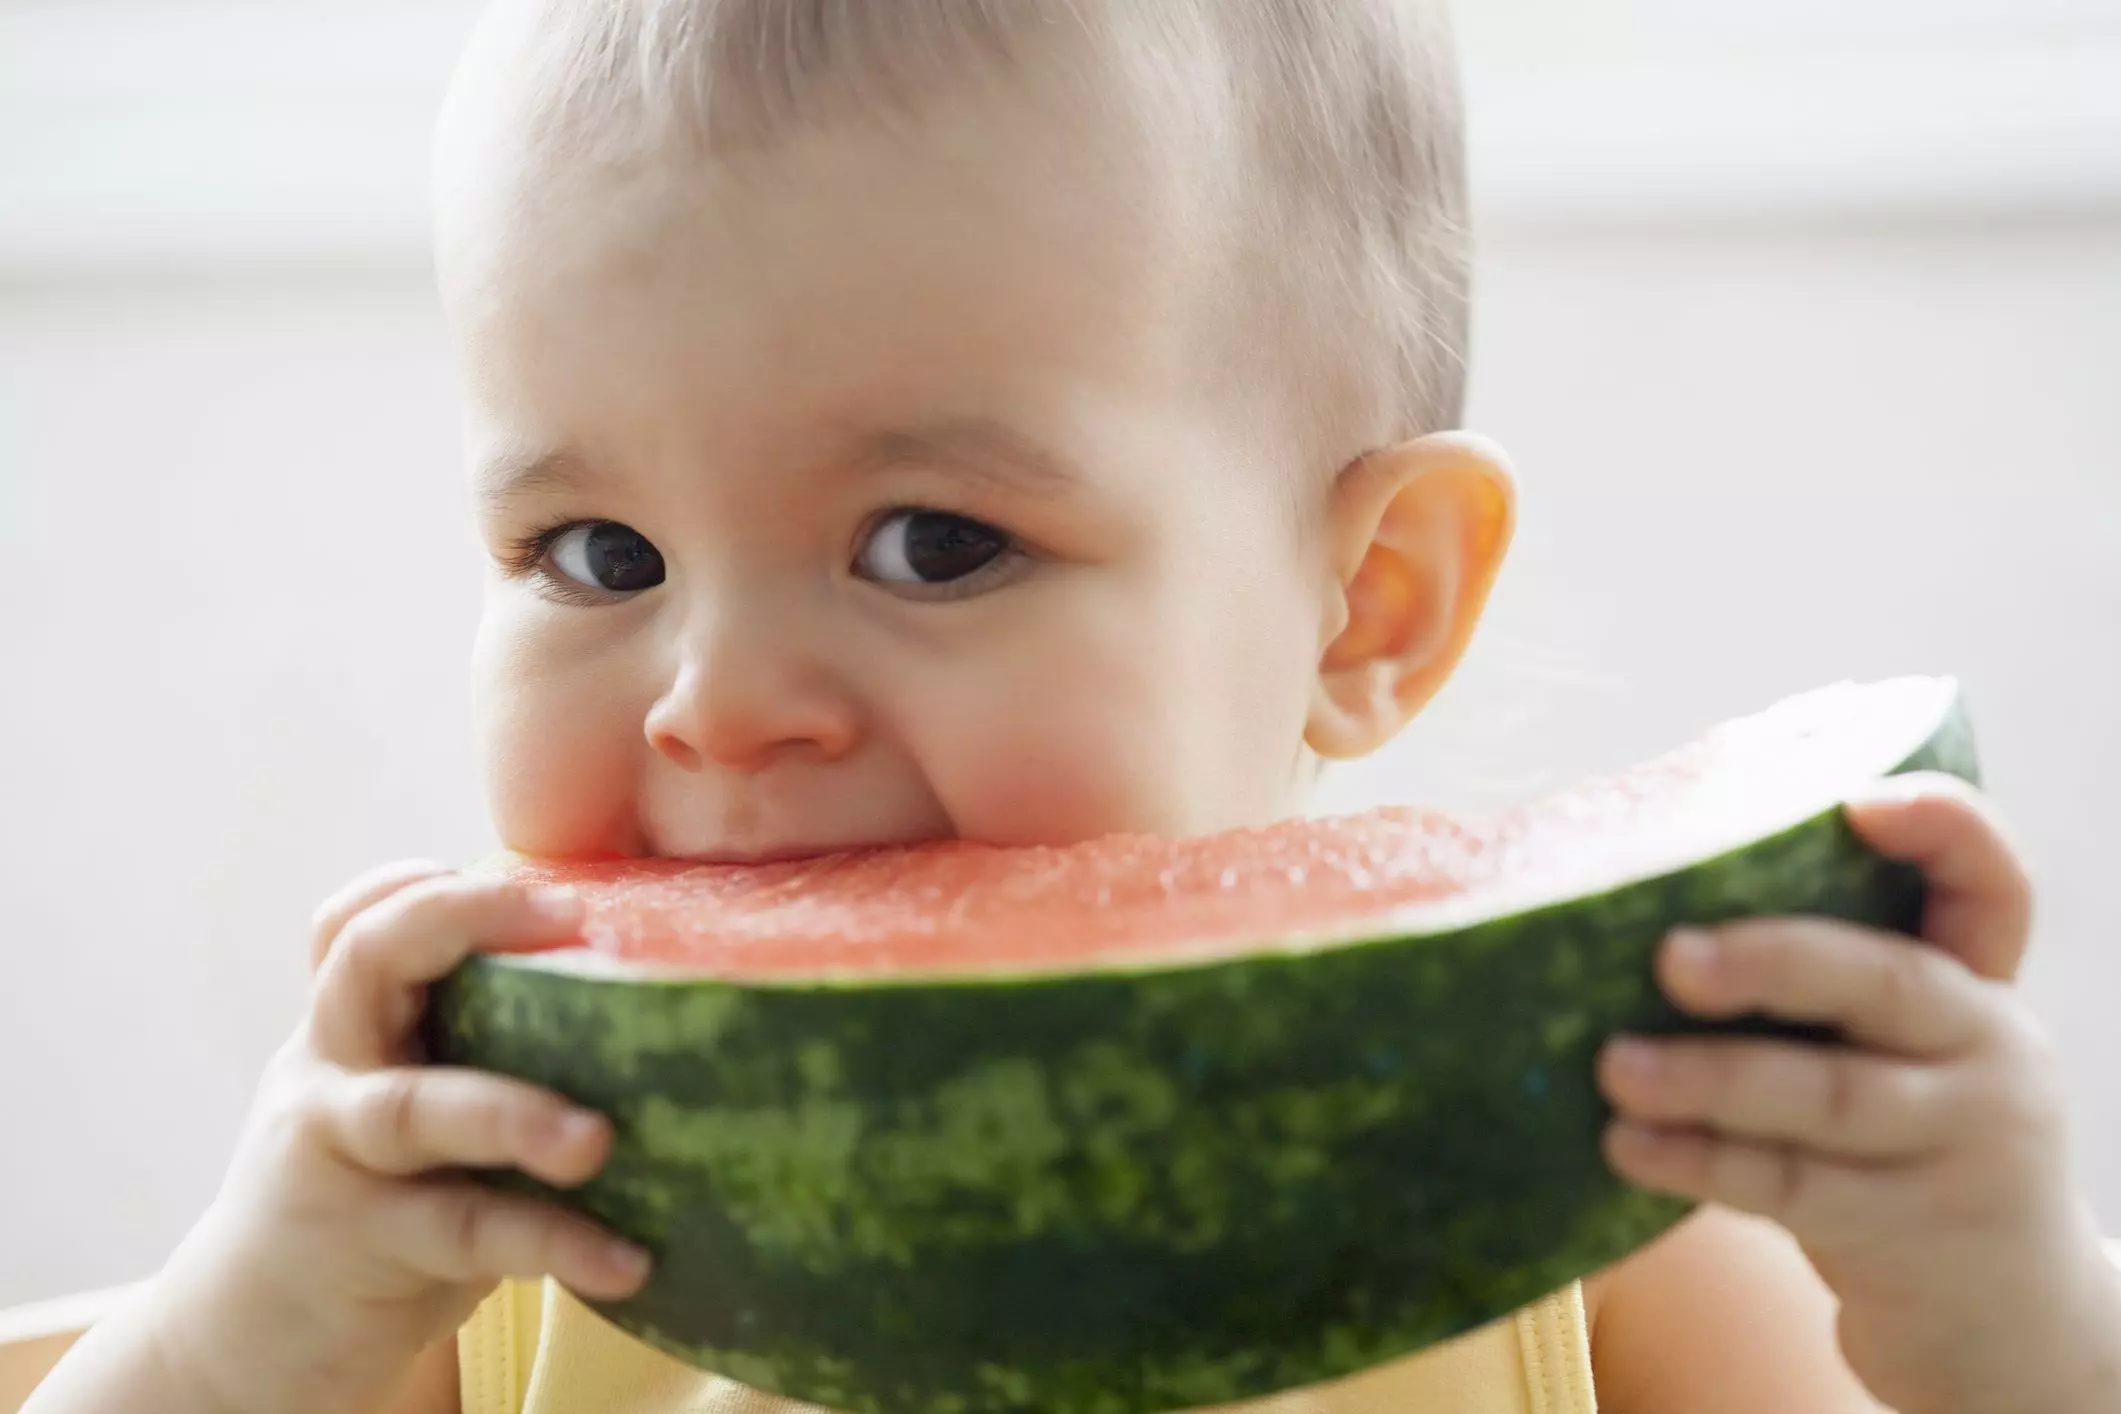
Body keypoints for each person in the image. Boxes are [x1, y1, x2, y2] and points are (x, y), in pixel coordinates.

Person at [27, 2, 2121, 1411]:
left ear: (1363, 605)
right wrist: (250, 1317)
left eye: (934, 542)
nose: (718, 703)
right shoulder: (501, 1245)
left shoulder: (1581, 1206)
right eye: (598, 556)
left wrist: (2003, 1312)